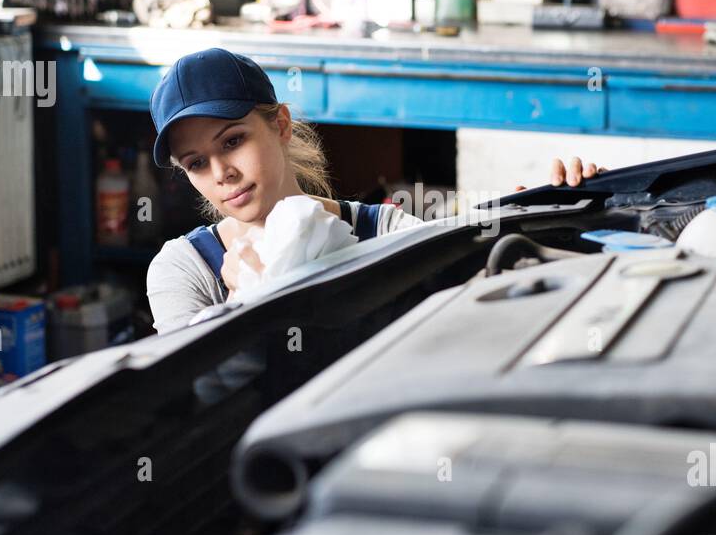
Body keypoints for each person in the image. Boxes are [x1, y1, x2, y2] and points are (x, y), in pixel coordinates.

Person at [145, 48, 606, 332]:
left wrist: (547, 219)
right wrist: (244, 305)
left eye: (232, 141)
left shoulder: (383, 228)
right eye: (197, 163)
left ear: (281, 125)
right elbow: (193, 406)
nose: (221, 172)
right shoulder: (183, 270)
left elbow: (474, 306)